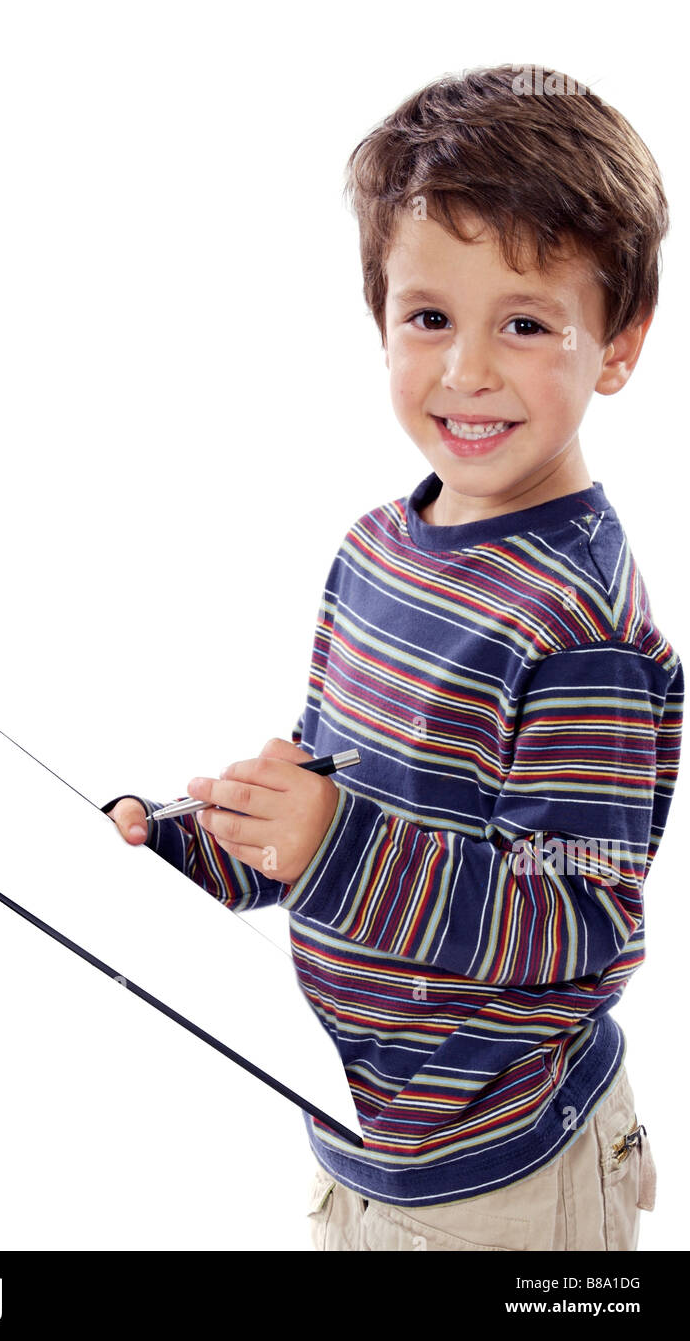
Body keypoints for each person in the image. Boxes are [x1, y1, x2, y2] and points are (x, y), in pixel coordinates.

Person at [102, 64, 682, 1251]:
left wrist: (333, 845)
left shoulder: (581, 633)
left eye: (523, 323)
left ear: (615, 345)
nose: (466, 370)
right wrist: (203, 845)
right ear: (379, 319)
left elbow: (579, 926)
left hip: (510, 1181)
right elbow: (341, 809)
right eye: (429, 318)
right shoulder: (376, 553)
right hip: (359, 1143)